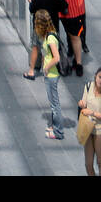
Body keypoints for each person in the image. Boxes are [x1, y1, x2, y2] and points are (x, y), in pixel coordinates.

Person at [51, 0, 89, 77]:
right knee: (70, 35)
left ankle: (78, 63)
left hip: (75, 12)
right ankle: (73, 57)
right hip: (63, 13)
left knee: (76, 36)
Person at [25, 0, 68, 78]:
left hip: (38, 26)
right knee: (47, 49)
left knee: (35, 47)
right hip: (51, 27)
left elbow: (32, 9)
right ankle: (46, 70)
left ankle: (31, 71)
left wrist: (31, 2)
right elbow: (64, 6)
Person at [33, 9, 65, 139]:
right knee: (53, 102)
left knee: (54, 104)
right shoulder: (50, 34)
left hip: (52, 74)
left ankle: (58, 132)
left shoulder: (50, 38)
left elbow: (56, 57)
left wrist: (46, 67)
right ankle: (54, 126)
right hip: (50, 74)